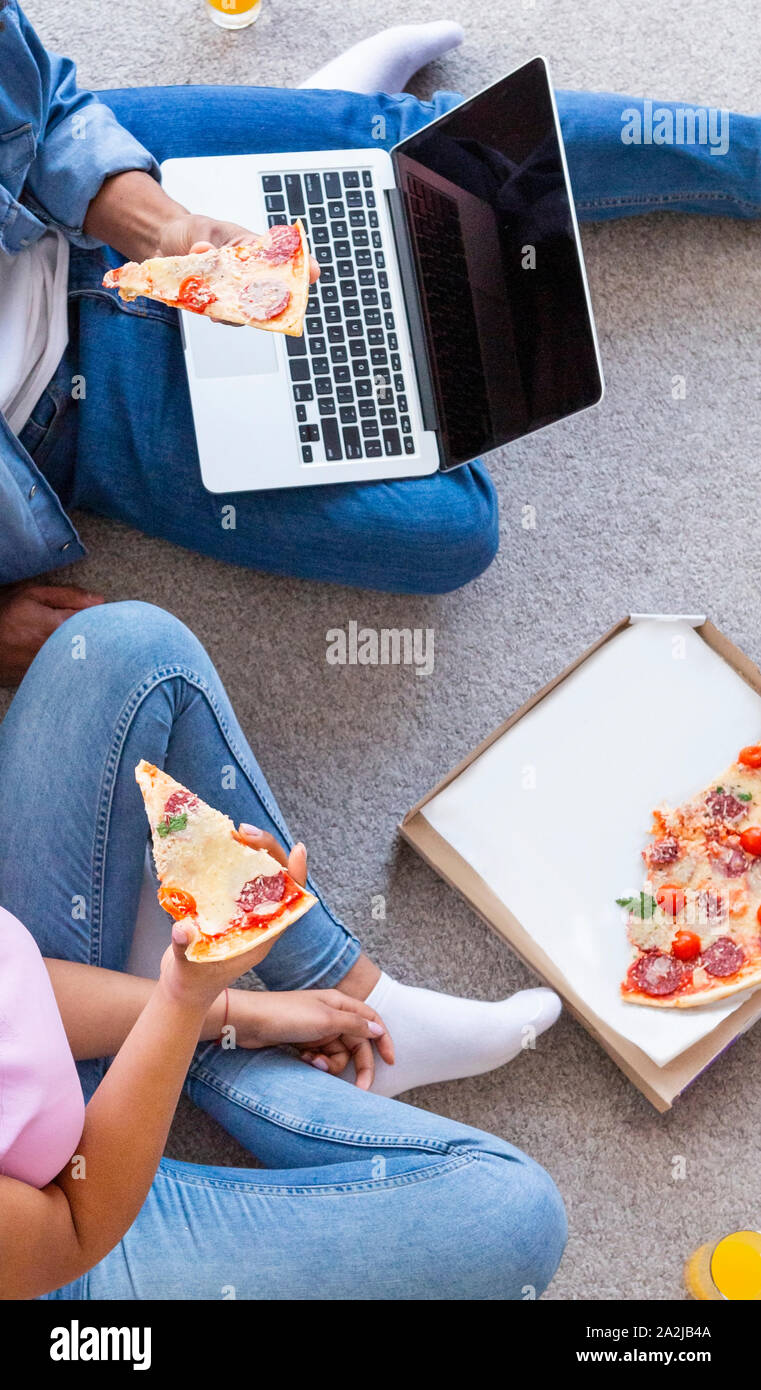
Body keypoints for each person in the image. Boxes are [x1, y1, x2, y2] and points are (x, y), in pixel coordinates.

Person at [3, 8, 761, 673]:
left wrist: (165, 224)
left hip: (71, 205)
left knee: (454, 157)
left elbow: (38, 103)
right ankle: (336, 130)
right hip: (59, 423)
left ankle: (357, 145)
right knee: (453, 532)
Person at [0, 599, 565, 1300]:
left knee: (129, 650)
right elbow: (74, 1229)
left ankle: (357, 1000)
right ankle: (192, 1027)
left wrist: (246, 1011)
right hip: (58, 1246)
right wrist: (185, 996)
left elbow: (11, 993)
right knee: (510, 1217)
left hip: (27, 1104)